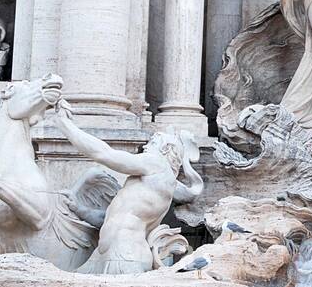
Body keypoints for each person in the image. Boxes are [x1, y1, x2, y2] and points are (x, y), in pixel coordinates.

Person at [49, 108, 202, 275]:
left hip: (125, 255)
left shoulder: (156, 163)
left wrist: (65, 126)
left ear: (165, 149)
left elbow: (104, 154)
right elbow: (109, 218)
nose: (146, 146)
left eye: (153, 142)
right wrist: (79, 209)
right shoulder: (154, 182)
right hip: (109, 254)